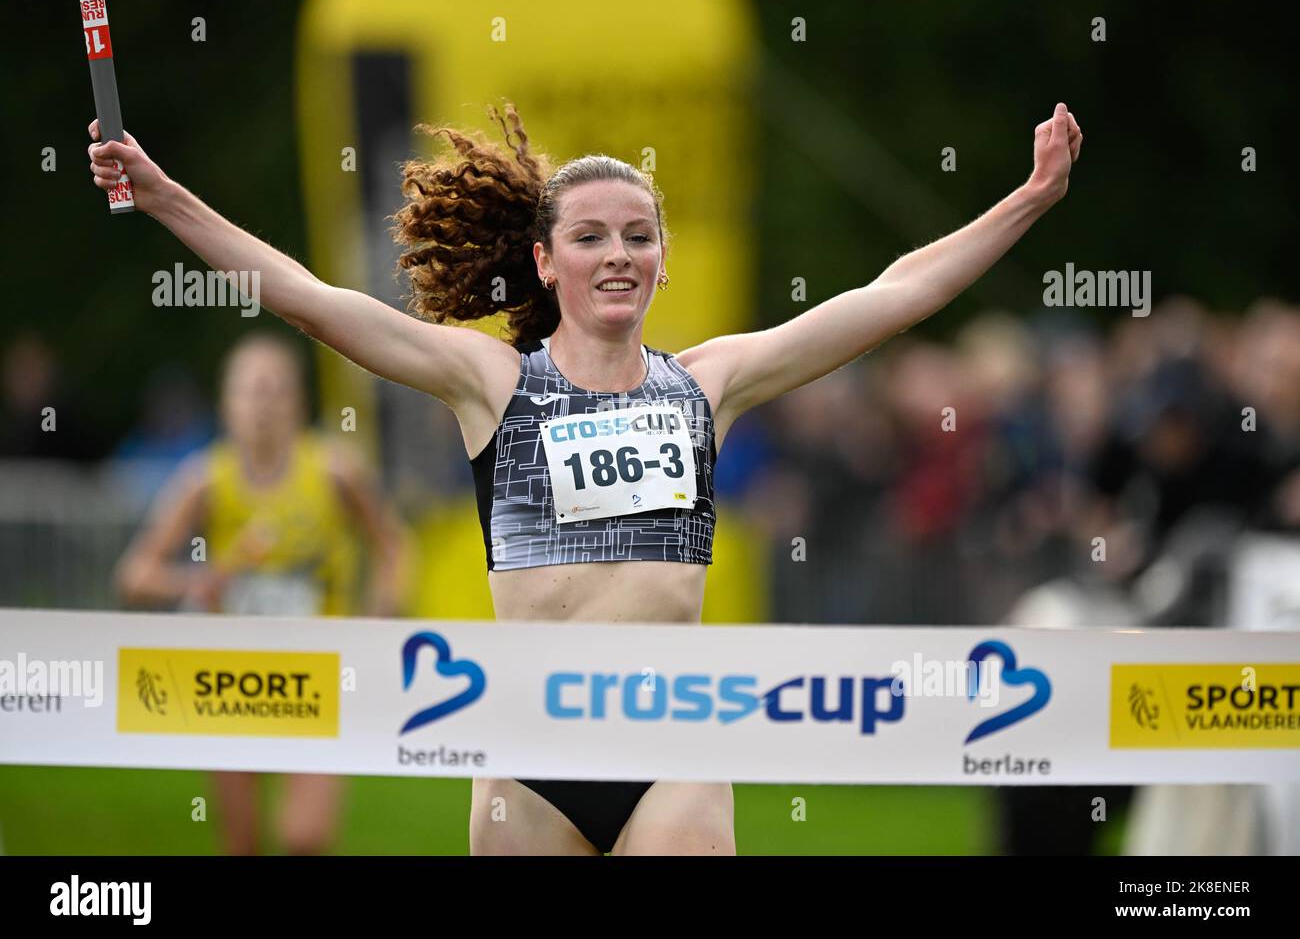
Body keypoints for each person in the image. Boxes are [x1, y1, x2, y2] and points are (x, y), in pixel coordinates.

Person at [88, 99, 1082, 855]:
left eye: (638, 235)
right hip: (529, 745)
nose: (618, 253)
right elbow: (310, 299)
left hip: (671, 741)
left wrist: (1029, 199)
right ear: (544, 261)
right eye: (591, 236)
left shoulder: (709, 384)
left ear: (662, 258)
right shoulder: (489, 384)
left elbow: (896, 294)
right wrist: (164, 195)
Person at [114, 332, 409, 854]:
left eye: (275, 391)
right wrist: (197, 582)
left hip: (319, 674)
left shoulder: (335, 471)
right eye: (249, 392)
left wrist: (378, 619)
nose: (262, 406)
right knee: (243, 843)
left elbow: (395, 548)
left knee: (304, 838)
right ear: (226, 404)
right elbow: (133, 575)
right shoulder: (204, 479)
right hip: (233, 677)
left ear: (297, 401)